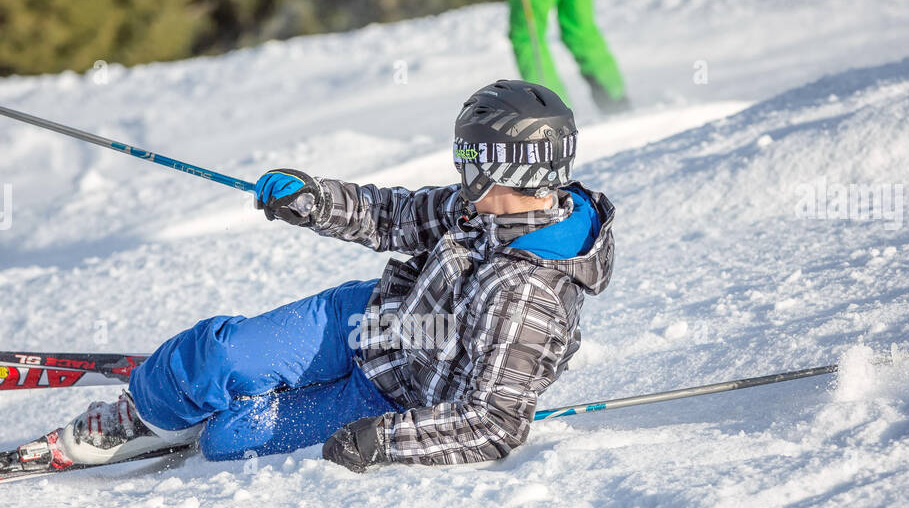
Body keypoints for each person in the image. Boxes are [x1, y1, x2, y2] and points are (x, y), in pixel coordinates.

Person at [53, 80, 614, 473]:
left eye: (470, 158)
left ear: (507, 169)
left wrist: (385, 441)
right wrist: (314, 200)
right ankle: (143, 411)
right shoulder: (488, 207)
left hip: (395, 398)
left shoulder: (526, 293)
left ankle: (207, 409)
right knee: (218, 356)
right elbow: (395, 216)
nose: (460, 172)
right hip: (368, 319)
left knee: (226, 441)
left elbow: (494, 422)